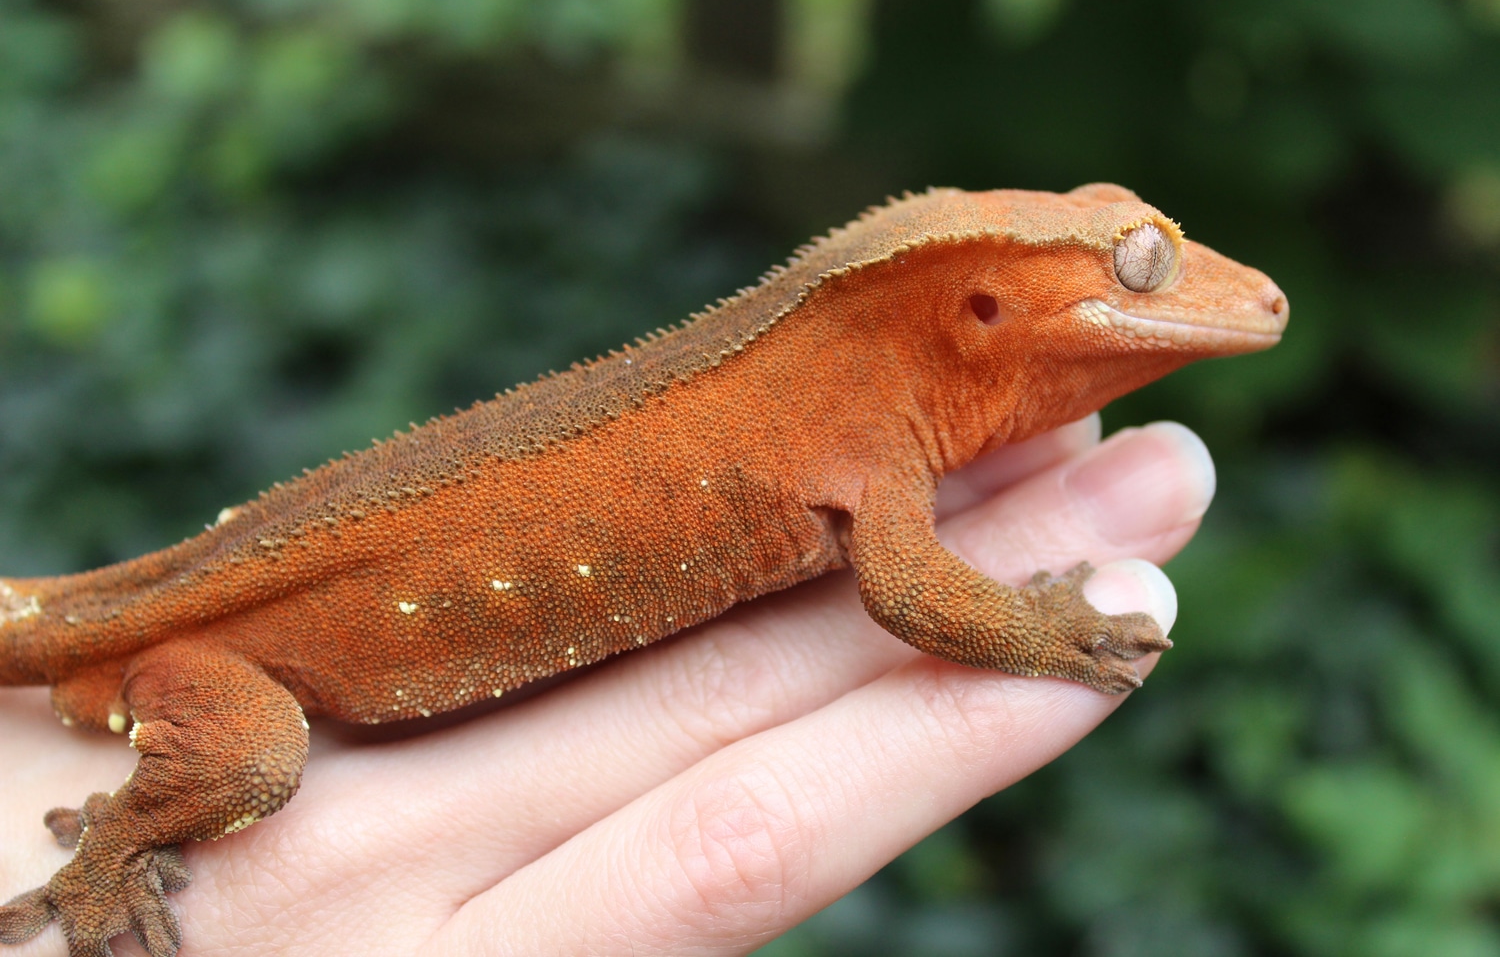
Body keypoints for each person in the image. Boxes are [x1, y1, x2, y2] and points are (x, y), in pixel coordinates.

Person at [0, 415, 1214, 955]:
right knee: (250, 762)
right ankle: (113, 853)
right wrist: (1038, 626)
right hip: (211, 657)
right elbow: (910, 592)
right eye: (1139, 263)